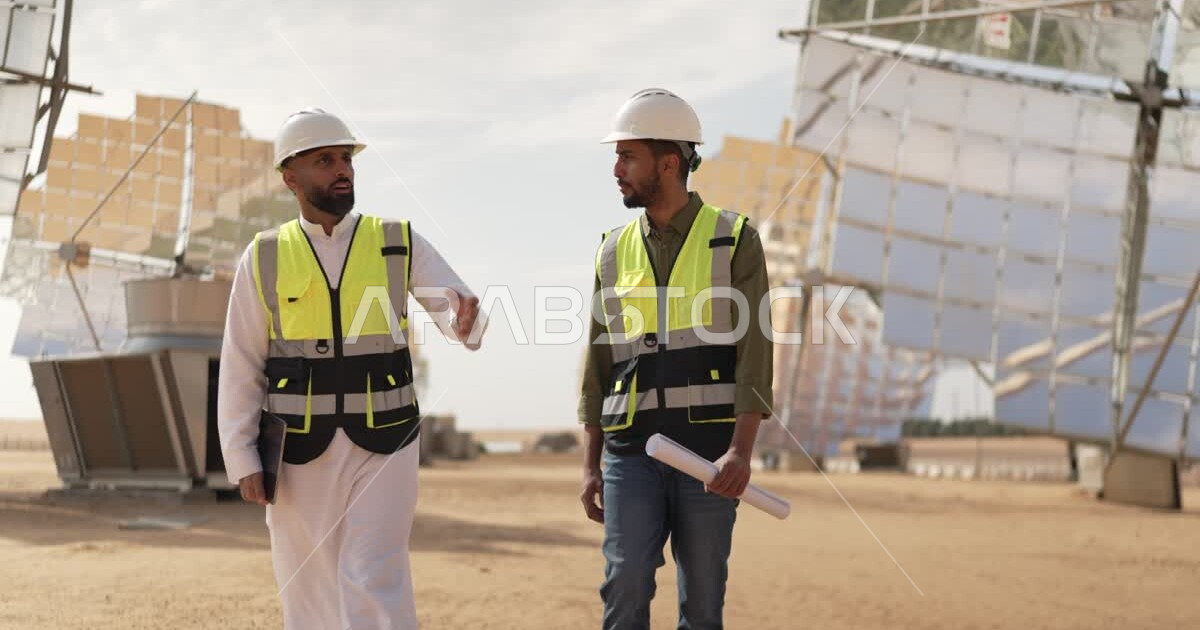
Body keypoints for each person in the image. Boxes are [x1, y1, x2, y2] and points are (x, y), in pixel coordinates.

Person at [218, 108, 484, 629]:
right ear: (291, 178)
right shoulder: (265, 255)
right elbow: (241, 360)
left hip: (387, 443)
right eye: (325, 160)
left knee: (372, 572)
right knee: (308, 585)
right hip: (298, 450)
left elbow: (458, 314)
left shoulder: (396, 240)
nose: (342, 169)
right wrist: (240, 454)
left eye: (345, 158)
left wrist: (465, 322)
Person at [578, 88, 775, 630]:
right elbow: (598, 364)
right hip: (630, 452)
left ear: (669, 162)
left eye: (627, 156)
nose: (616, 169)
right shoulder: (611, 250)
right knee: (625, 584)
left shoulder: (733, 240)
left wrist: (741, 451)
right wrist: (591, 464)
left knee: (704, 603)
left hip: (709, 457)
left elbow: (755, 353)